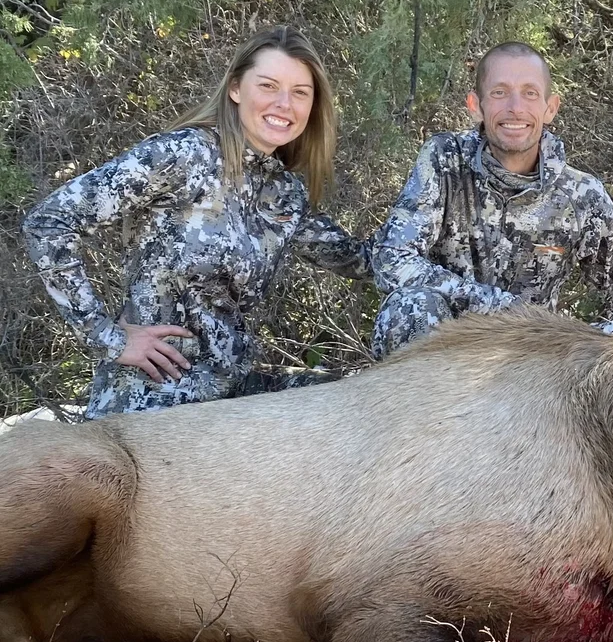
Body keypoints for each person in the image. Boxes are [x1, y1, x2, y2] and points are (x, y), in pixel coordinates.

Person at [24, 25, 371, 417]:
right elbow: (49, 221)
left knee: (356, 404)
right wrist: (108, 335)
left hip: (231, 393)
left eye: (300, 93)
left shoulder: (284, 192)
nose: (284, 104)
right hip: (156, 398)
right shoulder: (183, 155)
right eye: (269, 86)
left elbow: (359, 259)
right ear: (236, 89)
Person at [372, 41, 613, 356]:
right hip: (444, 361)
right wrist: (507, 309)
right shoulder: (444, 160)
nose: (515, 107)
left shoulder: (582, 197)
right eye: (500, 92)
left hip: (529, 376)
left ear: (550, 108)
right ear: (476, 105)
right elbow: (391, 259)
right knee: (409, 308)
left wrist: (602, 383)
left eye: (530, 93)